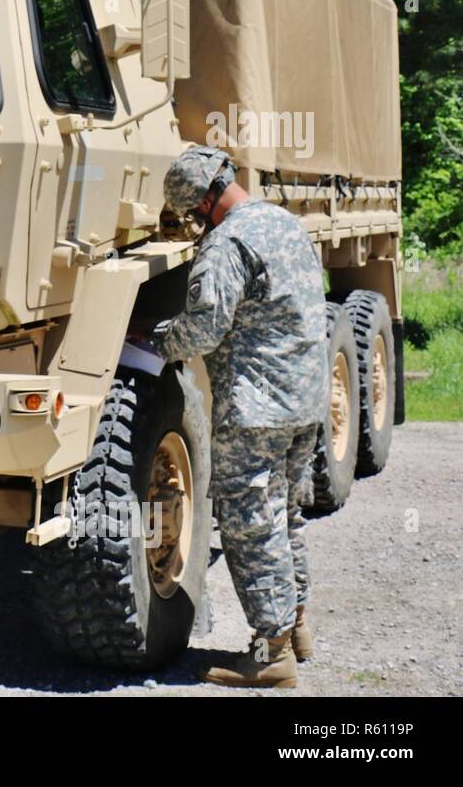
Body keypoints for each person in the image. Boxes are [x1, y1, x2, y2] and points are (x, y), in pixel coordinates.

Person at [146, 146, 327, 688]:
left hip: (257, 408)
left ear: (203, 201)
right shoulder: (283, 223)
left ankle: (271, 656)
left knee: (251, 523)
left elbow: (203, 328)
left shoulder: (226, 244)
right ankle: (295, 628)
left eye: (189, 213)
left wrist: (159, 341)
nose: (191, 223)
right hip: (305, 400)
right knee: (284, 514)